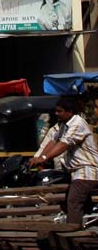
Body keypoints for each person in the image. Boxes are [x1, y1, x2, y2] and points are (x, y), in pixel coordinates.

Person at [33, 95, 98, 227]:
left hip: (86, 171)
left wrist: (44, 158)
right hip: (75, 173)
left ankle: (72, 236)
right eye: (56, 111)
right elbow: (53, 141)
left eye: (60, 111)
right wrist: (39, 157)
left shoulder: (77, 123)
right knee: (76, 203)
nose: (56, 114)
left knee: (73, 202)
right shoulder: (63, 125)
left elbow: (64, 144)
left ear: (69, 111)